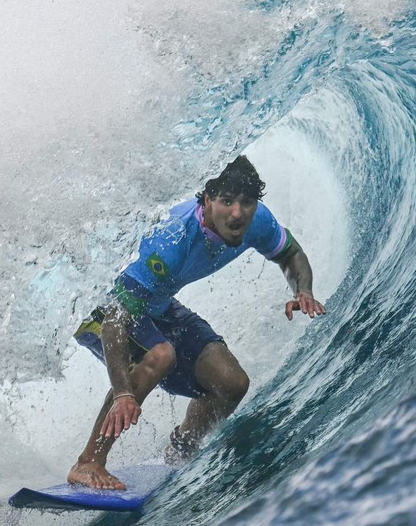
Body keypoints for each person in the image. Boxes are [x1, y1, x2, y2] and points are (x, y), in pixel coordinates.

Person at [68, 155, 326, 490]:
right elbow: (117, 318)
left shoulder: (256, 222)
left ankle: (181, 447)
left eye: (247, 202)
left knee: (231, 383)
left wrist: (302, 289)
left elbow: (289, 252)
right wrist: (122, 393)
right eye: (227, 201)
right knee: (160, 354)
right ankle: (89, 461)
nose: (238, 213)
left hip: (155, 304)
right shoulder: (171, 241)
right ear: (207, 201)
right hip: (102, 307)